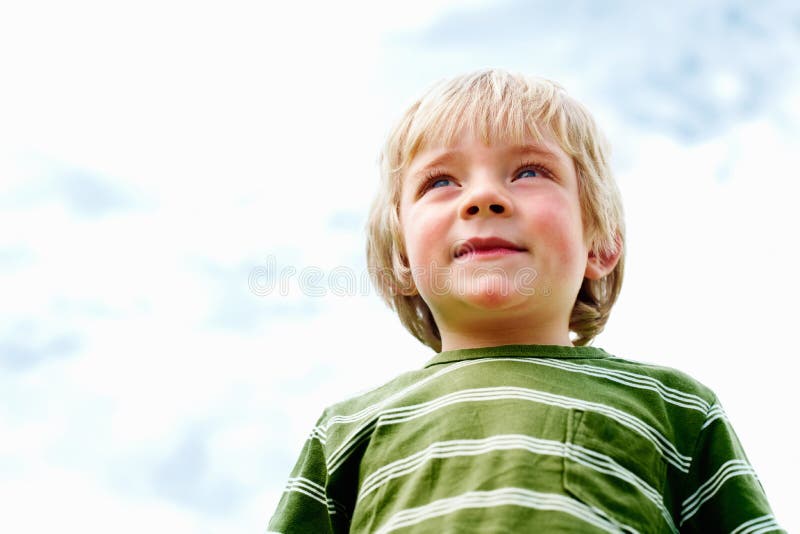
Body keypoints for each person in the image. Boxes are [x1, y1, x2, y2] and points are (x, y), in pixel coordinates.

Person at [267, 69, 782, 533]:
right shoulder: (345, 429)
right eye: (441, 181)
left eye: (530, 172)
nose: (483, 198)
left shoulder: (676, 407)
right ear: (402, 261)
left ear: (599, 245)